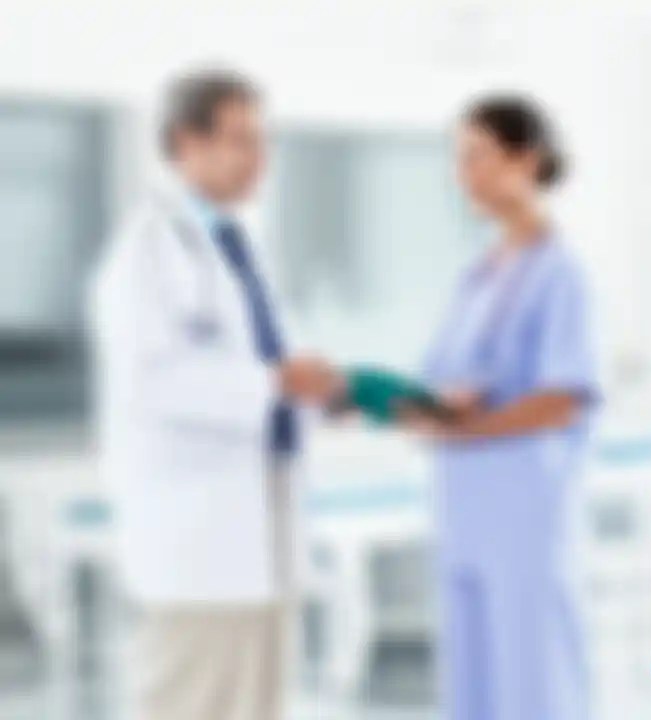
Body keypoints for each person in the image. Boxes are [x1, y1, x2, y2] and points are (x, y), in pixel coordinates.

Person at [91, 69, 340, 720]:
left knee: (257, 705)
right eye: (239, 140)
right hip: (198, 545)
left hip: (263, 537)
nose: (258, 159)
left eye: (263, 141)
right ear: (185, 143)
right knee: (191, 704)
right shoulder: (148, 251)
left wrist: (310, 392)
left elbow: (256, 366)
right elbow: (155, 381)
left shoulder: (238, 247)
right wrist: (275, 383)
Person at [400, 96, 598, 720]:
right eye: (462, 160)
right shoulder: (478, 275)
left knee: (529, 672)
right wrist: (425, 410)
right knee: (473, 678)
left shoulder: (559, 272)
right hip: (465, 504)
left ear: (525, 160)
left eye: (479, 157)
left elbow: (562, 398)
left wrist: (471, 427)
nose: (466, 174)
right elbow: (445, 377)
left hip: (522, 506)